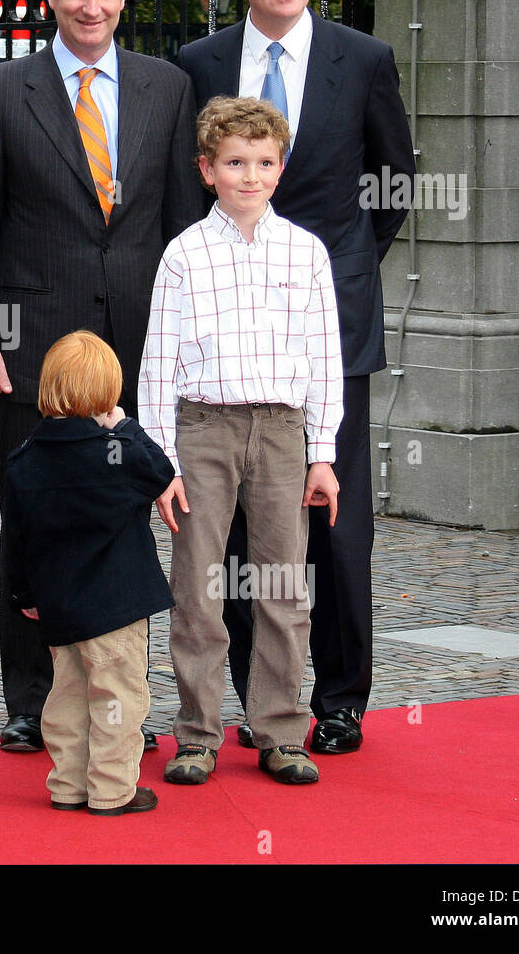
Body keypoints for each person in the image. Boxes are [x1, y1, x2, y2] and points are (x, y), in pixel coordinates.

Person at [0, 0, 205, 752]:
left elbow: (183, 226)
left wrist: (188, 337)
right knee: (34, 519)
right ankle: (32, 700)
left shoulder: (168, 87)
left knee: (130, 516)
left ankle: (122, 702)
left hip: (139, 343)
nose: (90, 5)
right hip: (34, 348)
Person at [179, 0, 413, 756]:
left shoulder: (364, 58)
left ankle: (342, 696)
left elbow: (394, 181)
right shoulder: (200, 63)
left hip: (329, 328)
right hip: (225, 335)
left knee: (334, 520)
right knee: (241, 526)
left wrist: (335, 266)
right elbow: (188, 190)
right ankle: (256, 696)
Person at [141, 96, 343, 786]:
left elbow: (324, 357)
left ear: (281, 169)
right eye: (234, 163)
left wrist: (324, 453)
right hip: (204, 429)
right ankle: (197, 734)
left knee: (283, 584)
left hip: (283, 432)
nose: (248, 176)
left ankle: (280, 729)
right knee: (198, 585)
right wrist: (164, 462)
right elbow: (157, 363)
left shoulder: (306, 252)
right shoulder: (184, 254)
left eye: (262, 162)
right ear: (207, 170)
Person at [4, 331, 175, 815]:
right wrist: (125, 426)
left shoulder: (25, 458)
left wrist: (24, 595)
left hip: (60, 606)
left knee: (68, 697)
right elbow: (160, 472)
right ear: (107, 390)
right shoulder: (114, 452)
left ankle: (68, 784)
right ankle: (111, 789)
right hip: (117, 604)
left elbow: (16, 538)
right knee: (118, 697)